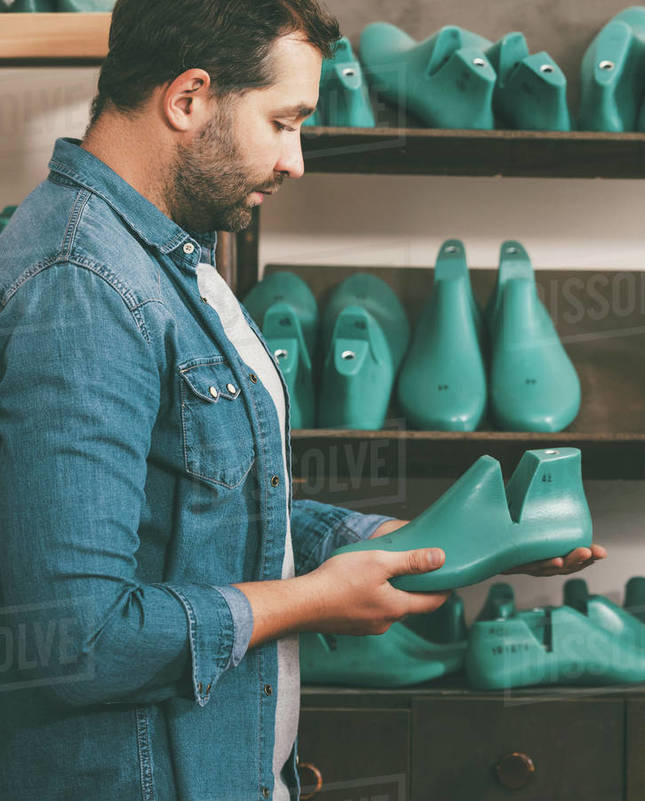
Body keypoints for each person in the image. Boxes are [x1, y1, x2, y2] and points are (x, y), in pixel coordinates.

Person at [0, 1, 606, 799]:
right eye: (284, 122)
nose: (296, 161)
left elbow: (199, 506)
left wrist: (390, 541)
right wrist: (314, 601)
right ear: (188, 100)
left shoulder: (169, 254)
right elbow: (77, 639)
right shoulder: (84, 285)